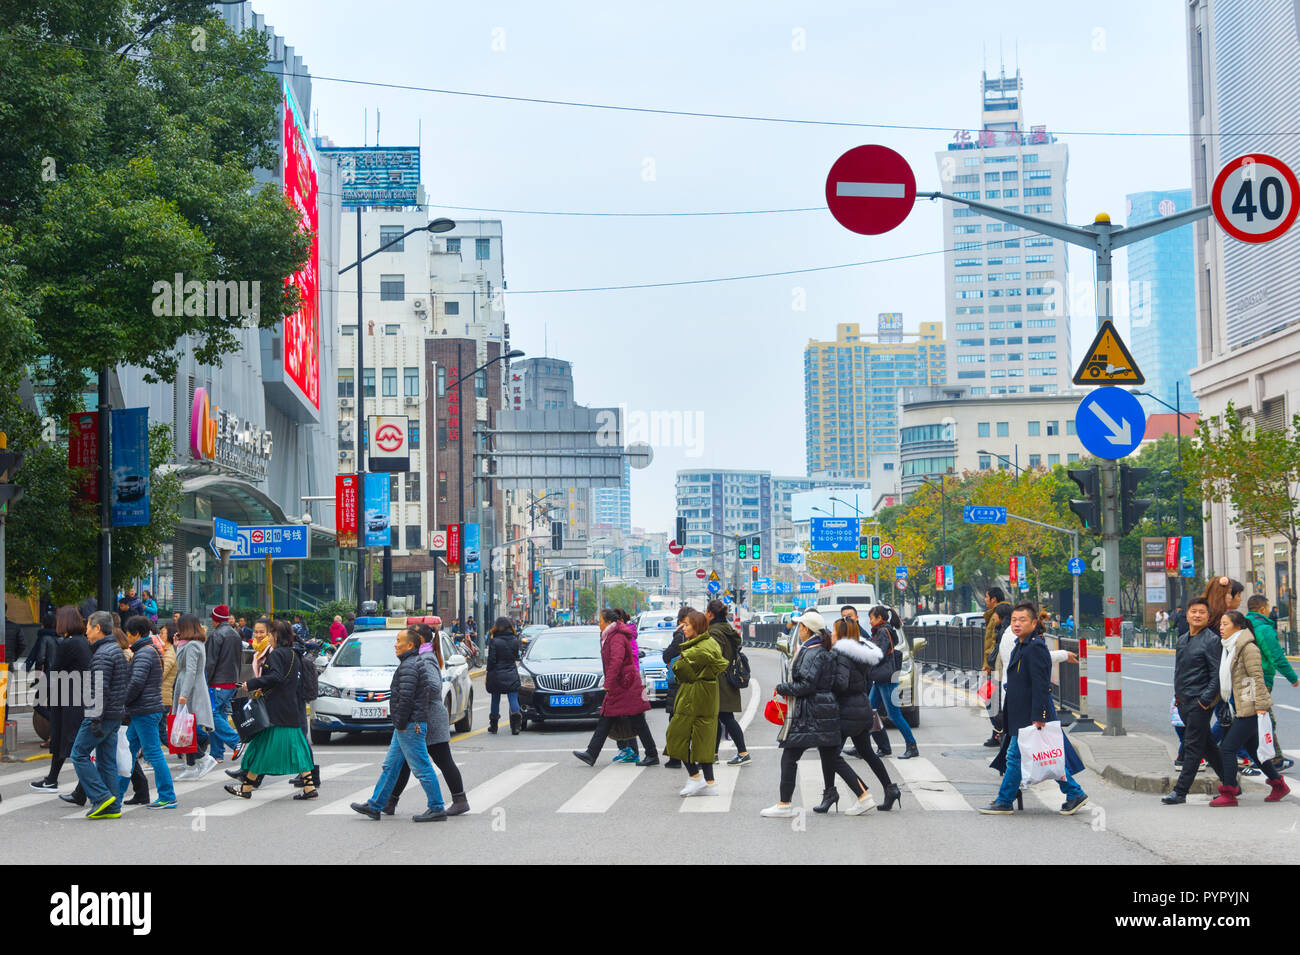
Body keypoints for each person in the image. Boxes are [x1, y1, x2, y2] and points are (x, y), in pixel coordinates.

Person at [980, 601, 1089, 815]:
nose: (1017, 624)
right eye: (1014, 620)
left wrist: (1039, 715)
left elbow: (1041, 685)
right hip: (1020, 712)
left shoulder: (1035, 647)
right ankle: (1074, 793)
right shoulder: (1021, 645)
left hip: (1030, 714)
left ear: (1033, 622)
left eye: (1022, 620)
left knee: (1021, 756)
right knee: (1041, 756)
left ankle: (1004, 800)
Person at [762, 611, 871, 817]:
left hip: (811, 712)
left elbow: (807, 684)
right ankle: (863, 796)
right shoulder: (820, 649)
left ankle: (784, 804)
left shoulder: (812, 651)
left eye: (799, 627)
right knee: (832, 758)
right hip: (822, 710)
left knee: (790, 756)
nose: (797, 630)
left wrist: (783, 687)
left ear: (806, 629)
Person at [350, 628, 446, 821]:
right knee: (390, 765)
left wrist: (400, 723)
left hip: (410, 725)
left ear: (410, 645)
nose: (395, 644)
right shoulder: (411, 663)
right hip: (406, 724)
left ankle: (437, 807)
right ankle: (376, 805)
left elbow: (406, 699)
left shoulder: (410, 666)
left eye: (398, 640)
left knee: (421, 767)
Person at [382, 622, 470, 816]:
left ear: (418, 639)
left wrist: (414, 694)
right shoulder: (423, 656)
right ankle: (390, 802)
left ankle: (459, 799)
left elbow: (433, 686)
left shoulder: (426, 658)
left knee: (443, 760)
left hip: (430, 719)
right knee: (403, 762)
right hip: (423, 716)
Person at [226, 619, 317, 800]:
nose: (268, 637)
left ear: (276, 635)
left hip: (275, 710)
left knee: (261, 748)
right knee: (298, 748)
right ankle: (310, 788)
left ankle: (246, 788)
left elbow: (275, 677)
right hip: (290, 708)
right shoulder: (293, 654)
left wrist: (251, 683)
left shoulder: (276, 654)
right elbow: (285, 680)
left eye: (269, 633)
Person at [1209, 611, 1291, 805]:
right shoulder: (1228, 647)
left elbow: (1257, 678)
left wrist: (1261, 708)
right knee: (1254, 750)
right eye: (1220, 624)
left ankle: (1229, 793)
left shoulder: (1247, 648)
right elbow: (1225, 682)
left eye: (1225, 624)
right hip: (1240, 707)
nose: (1221, 627)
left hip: (1251, 709)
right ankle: (1279, 785)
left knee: (1227, 749)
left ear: (1238, 627)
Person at [826, 616, 898, 813]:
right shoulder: (861, 655)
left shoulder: (841, 655)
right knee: (867, 752)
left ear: (841, 635)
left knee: (831, 755)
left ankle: (859, 794)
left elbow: (841, 684)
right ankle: (891, 789)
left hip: (846, 711)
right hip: (861, 708)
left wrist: (827, 684)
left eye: (833, 631)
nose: (831, 634)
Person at [573, 608, 658, 767]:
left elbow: (616, 661)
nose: (599, 624)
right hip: (622, 684)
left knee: (633, 720)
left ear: (608, 622)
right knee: (608, 717)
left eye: (600, 621)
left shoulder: (616, 637)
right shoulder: (610, 636)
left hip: (625, 685)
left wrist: (608, 683)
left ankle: (652, 754)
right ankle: (591, 753)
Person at [1163, 597, 1227, 804]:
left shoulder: (1212, 640)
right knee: (1208, 746)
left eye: (1202, 612)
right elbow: (1179, 672)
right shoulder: (1182, 639)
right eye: (1194, 611)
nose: (1197, 615)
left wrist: (1205, 700)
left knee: (1192, 746)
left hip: (1200, 702)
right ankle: (1230, 784)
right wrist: (1178, 698)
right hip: (1183, 702)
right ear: (1187, 614)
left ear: (1208, 617)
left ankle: (1180, 791)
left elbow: (1217, 674)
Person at [68, 612, 130, 819]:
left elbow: (99, 690)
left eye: (88, 626)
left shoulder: (103, 654)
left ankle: (102, 797)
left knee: (78, 754)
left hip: (101, 715)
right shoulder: (115, 650)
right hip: (114, 715)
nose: (85, 630)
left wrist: (94, 719)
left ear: (97, 629)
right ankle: (113, 806)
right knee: (106, 760)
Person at [664, 609, 727, 795]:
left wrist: (680, 660)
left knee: (676, 736)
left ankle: (695, 777)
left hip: (694, 697)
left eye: (687, 625)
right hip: (703, 696)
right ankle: (709, 782)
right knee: (702, 741)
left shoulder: (698, 649)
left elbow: (679, 670)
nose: (684, 628)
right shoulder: (708, 643)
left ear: (697, 626)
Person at [116, 615, 176, 809]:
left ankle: (167, 795)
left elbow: (136, 683)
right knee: (129, 752)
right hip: (144, 709)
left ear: (135, 634)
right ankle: (116, 795)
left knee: (152, 753)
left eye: (128, 633)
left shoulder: (144, 653)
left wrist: (122, 700)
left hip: (145, 710)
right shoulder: (148, 650)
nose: (127, 636)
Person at [31, 607, 92, 794]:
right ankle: (52, 780)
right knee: (63, 741)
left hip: (69, 699)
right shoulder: (82, 642)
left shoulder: (69, 643)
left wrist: (39, 695)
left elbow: (55, 671)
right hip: (72, 696)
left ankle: (85, 788)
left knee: (73, 745)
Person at [1247, 595, 1297, 771]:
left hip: (1243, 678)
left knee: (1253, 717)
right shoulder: (1264, 629)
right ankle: (1271, 758)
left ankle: (1273, 757)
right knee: (1264, 718)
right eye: (1267, 608)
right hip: (1261, 678)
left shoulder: (1242, 624)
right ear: (1262, 609)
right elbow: (1276, 657)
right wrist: (1293, 678)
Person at [864, 606, 918, 760]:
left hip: (886, 678)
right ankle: (866, 745)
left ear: (880, 618)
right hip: (881, 678)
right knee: (869, 712)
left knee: (894, 715)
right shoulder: (882, 631)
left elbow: (879, 654)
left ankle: (912, 745)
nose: (870, 621)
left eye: (872, 618)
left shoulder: (883, 631)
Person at [705, 599, 750, 766]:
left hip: (720, 681)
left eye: (706, 612)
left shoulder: (714, 632)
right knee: (719, 718)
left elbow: (713, 657)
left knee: (726, 717)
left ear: (710, 614)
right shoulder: (727, 629)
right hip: (727, 679)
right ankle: (714, 754)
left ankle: (743, 753)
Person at [172, 614, 216, 780]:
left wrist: (184, 694)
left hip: (190, 690)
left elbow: (190, 670)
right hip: (189, 687)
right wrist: (178, 646)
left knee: (187, 729)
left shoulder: (192, 646)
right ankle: (191, 766)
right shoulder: (191, 644)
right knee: (186, 728)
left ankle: (203, 758)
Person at [200, 604, 243, 771]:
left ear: (215, 619)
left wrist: (205, 681)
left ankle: (235, 741)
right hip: (232, 680)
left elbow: (210, 662)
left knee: (213, 714)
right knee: (220, 714)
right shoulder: (235, 634)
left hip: (218, 682)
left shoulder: (216, 635)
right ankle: (217, 753)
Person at [659, 607, 690, 769]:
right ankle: (679, 757)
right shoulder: (695, 635)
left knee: (676, 722)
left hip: (678, 683)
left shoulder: (680, 636)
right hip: (684, 683)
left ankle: (677, 758)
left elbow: (666, 655)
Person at [980, 588, 1011, 746]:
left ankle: (1000, 731)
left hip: (995, 665)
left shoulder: (997, 615)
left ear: (993, 599)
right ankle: (998, 733)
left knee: (990, 698)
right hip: (994, 664)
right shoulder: (996, 613)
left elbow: (992, 642)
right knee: (993, 698)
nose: (985, 599)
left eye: (986, 596)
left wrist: (988, 664)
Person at [484, 617, 522, 734]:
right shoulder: (515, 640)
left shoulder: (494, 641)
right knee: (513, 698)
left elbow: (491, 660)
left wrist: (488, 673)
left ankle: (494, 726)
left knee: (495, 698)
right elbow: (516, 657)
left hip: (496, 674)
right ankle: (516, 726)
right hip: (511, 672)